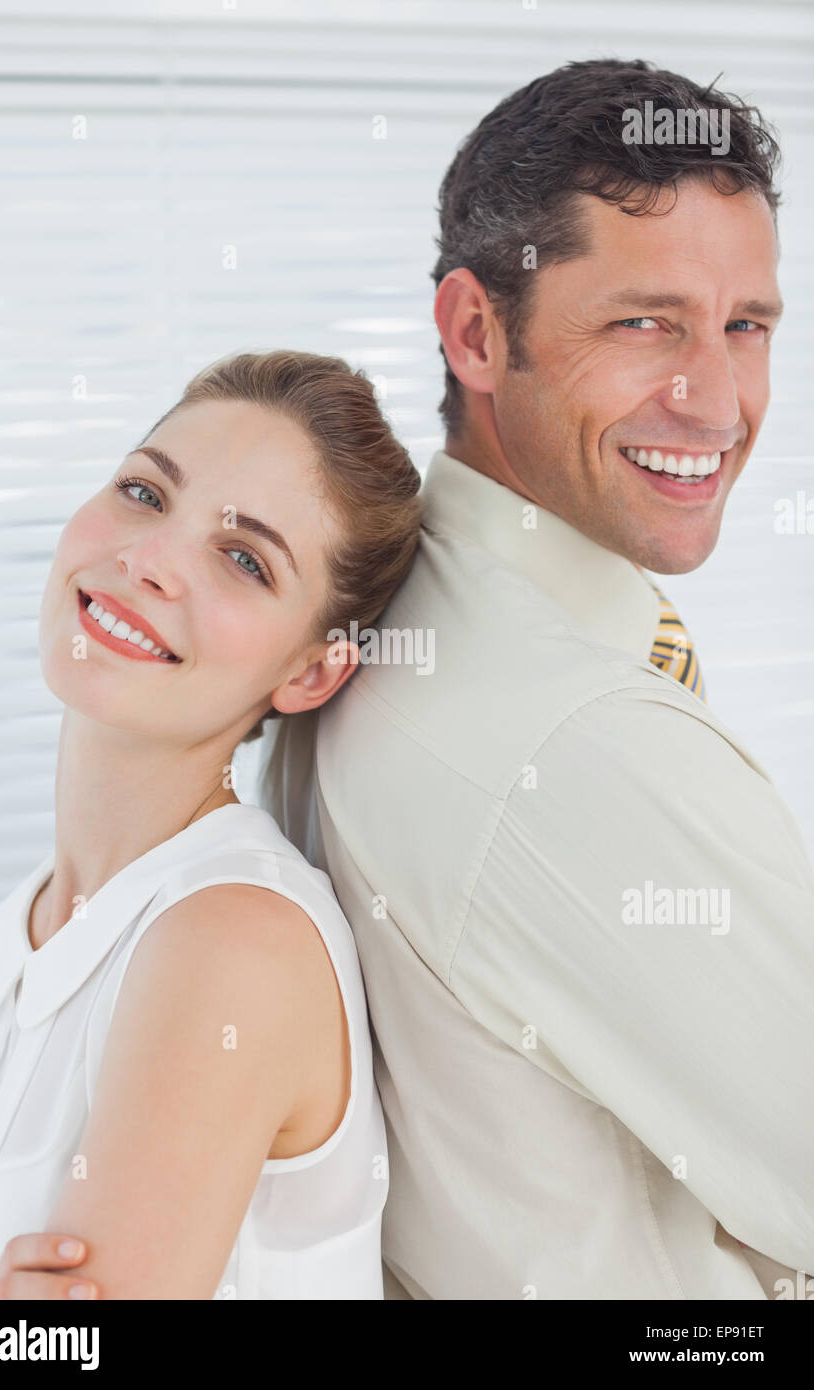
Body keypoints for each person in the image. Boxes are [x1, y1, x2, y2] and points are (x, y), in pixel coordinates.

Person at [256, 60, 814, 1299]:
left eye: (746, 326)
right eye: (643, 323)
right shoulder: (572, 739)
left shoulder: (370, 600)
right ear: (474, 331)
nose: (716, 400)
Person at [0, 349, 422, 1300]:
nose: (150, 559)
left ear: (310, 673)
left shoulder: (233, 942)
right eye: (142, 492)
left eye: (244, 559)